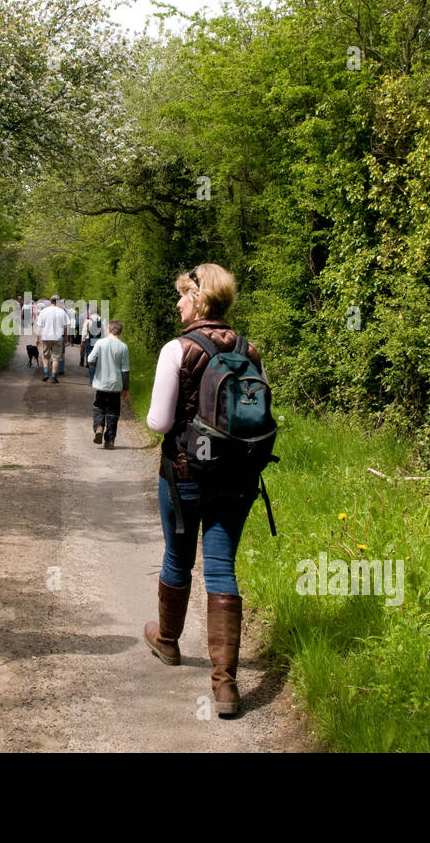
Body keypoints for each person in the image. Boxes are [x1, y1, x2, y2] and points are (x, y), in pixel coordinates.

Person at [143, 263, 264, 718]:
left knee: (178, 557)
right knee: (220, 567)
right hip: (235, 481)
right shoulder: (251, 352)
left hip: (184, 476)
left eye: (182, 295)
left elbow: (158, 422)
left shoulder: (178, 350)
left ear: (198, 299)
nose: (177, 302)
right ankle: (226, 684)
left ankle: (168, 642)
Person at [86, 319, 129, 448]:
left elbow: (90, 359)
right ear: (120, 331)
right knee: (113, 412)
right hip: (116, 385)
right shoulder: (123, 347)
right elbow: (125, 370)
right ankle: (110, 441)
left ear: (108, 329)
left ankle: (99, 427)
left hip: (101, 383)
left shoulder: (100, 343)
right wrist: (125, 388)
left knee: (99, 407)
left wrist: (97, 366)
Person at [34, 294, 69, 383]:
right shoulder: (62, 312)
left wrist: (37, 337)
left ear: (50, 301)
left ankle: (46, 373)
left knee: (45, 356)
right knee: (56, 358)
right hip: (57, 338)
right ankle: (53, 377)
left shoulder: (44, 311)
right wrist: (66, 338)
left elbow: (39, 326)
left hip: (45, 337)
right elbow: (65, 327)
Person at [82, 304, 104, 381]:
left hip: (89, 340)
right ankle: (98, 378)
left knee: (91, 359)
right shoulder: (103, 320)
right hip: (100, 341)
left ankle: (92, 380)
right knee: (98, 358)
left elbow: (84, 332)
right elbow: (105, 333)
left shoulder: (88, 319)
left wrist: (82, 341)